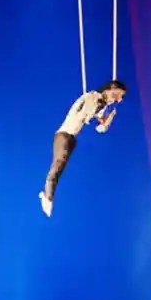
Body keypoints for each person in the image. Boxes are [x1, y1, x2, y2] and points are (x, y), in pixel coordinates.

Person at [39, 79, 127, 217]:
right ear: (109, 89)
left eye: (119, 98)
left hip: (71, 138)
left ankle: (47, 194)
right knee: (59, 163)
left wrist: (109, 118)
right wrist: (103, 114)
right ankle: (47, 196)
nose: (116, 100)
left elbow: (100, 128)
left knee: (61, 166)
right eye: (115, 95)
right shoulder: (92, 97)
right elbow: (88, 116)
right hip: (64, 135)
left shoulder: (101, 105)